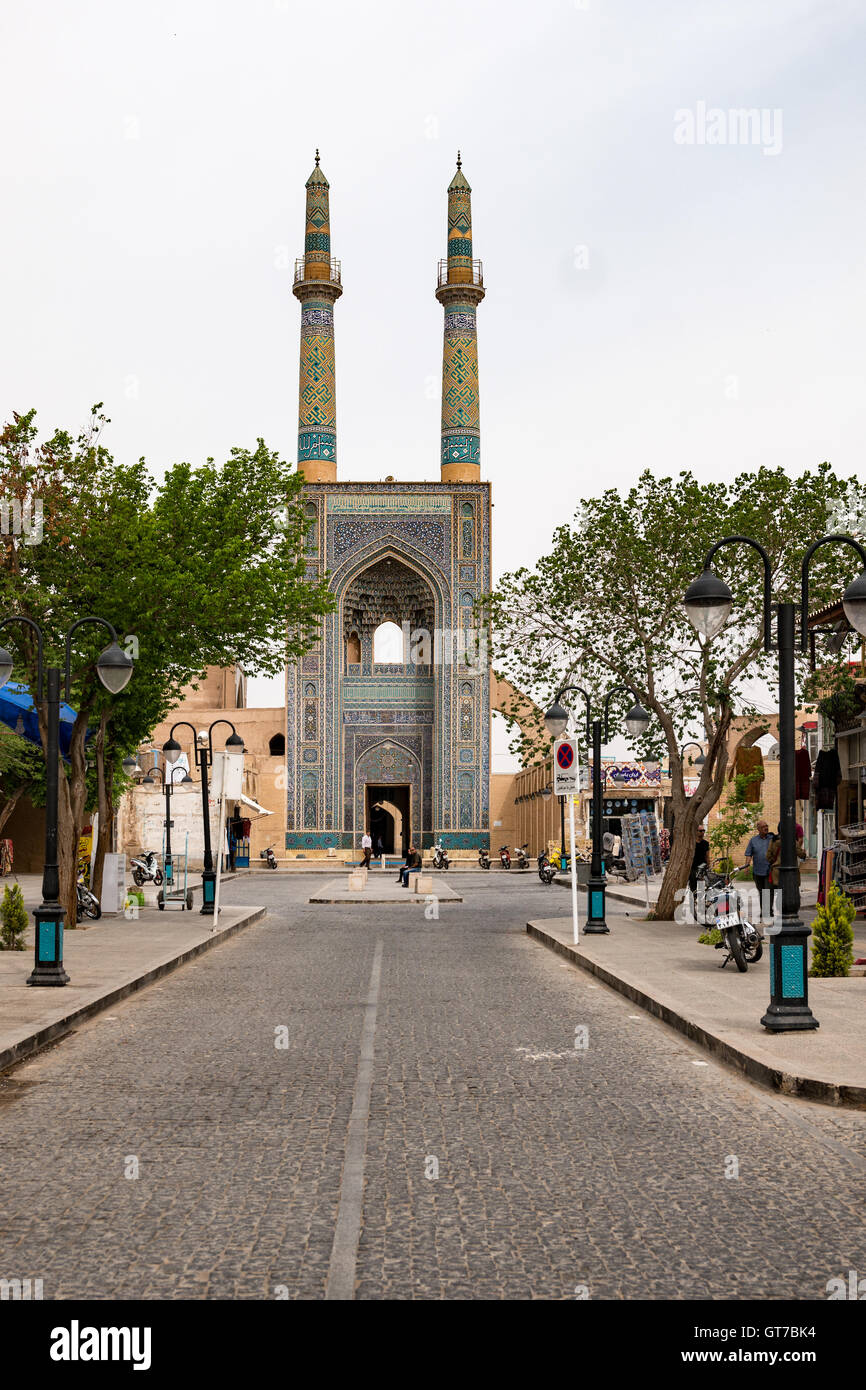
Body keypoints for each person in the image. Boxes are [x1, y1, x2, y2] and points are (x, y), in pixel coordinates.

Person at [744, 819, 774, 921]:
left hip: (769, 870)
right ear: (758, 829)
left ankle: (768, 911)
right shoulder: (753, 840)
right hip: (757, 871)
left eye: (767, 826)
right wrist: (746, 866)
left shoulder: (772, 838)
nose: (766, 828)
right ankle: (764, 910)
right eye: (763, 827)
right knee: (761, 892)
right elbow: (749, 854)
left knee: (768, 891)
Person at [689, 826, 711, 918]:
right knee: (693, 887)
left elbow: (707, 856)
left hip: (702, 868)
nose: (702, 832)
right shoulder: (692, 843)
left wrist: (709, 866)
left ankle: (701, 905)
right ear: (696, 832)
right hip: (693, 868)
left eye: (703, 830)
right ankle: (693, 903)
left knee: (702, 887)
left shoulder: (706, 843)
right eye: (700, 831)